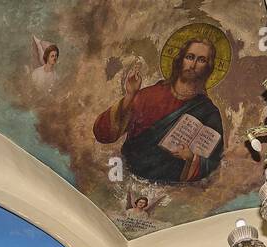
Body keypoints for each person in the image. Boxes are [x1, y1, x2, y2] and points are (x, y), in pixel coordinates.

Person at [93, 35, 224, 183]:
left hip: (170, 187)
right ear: (180, 60)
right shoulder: (151, 94)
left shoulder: (208, 112)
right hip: (129, 176)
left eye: (201, 60)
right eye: (190, 57)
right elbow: (103, 134)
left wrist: (192, 158)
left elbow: (213, 162)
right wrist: (130, 95)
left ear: (208, 67)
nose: (193, 65)